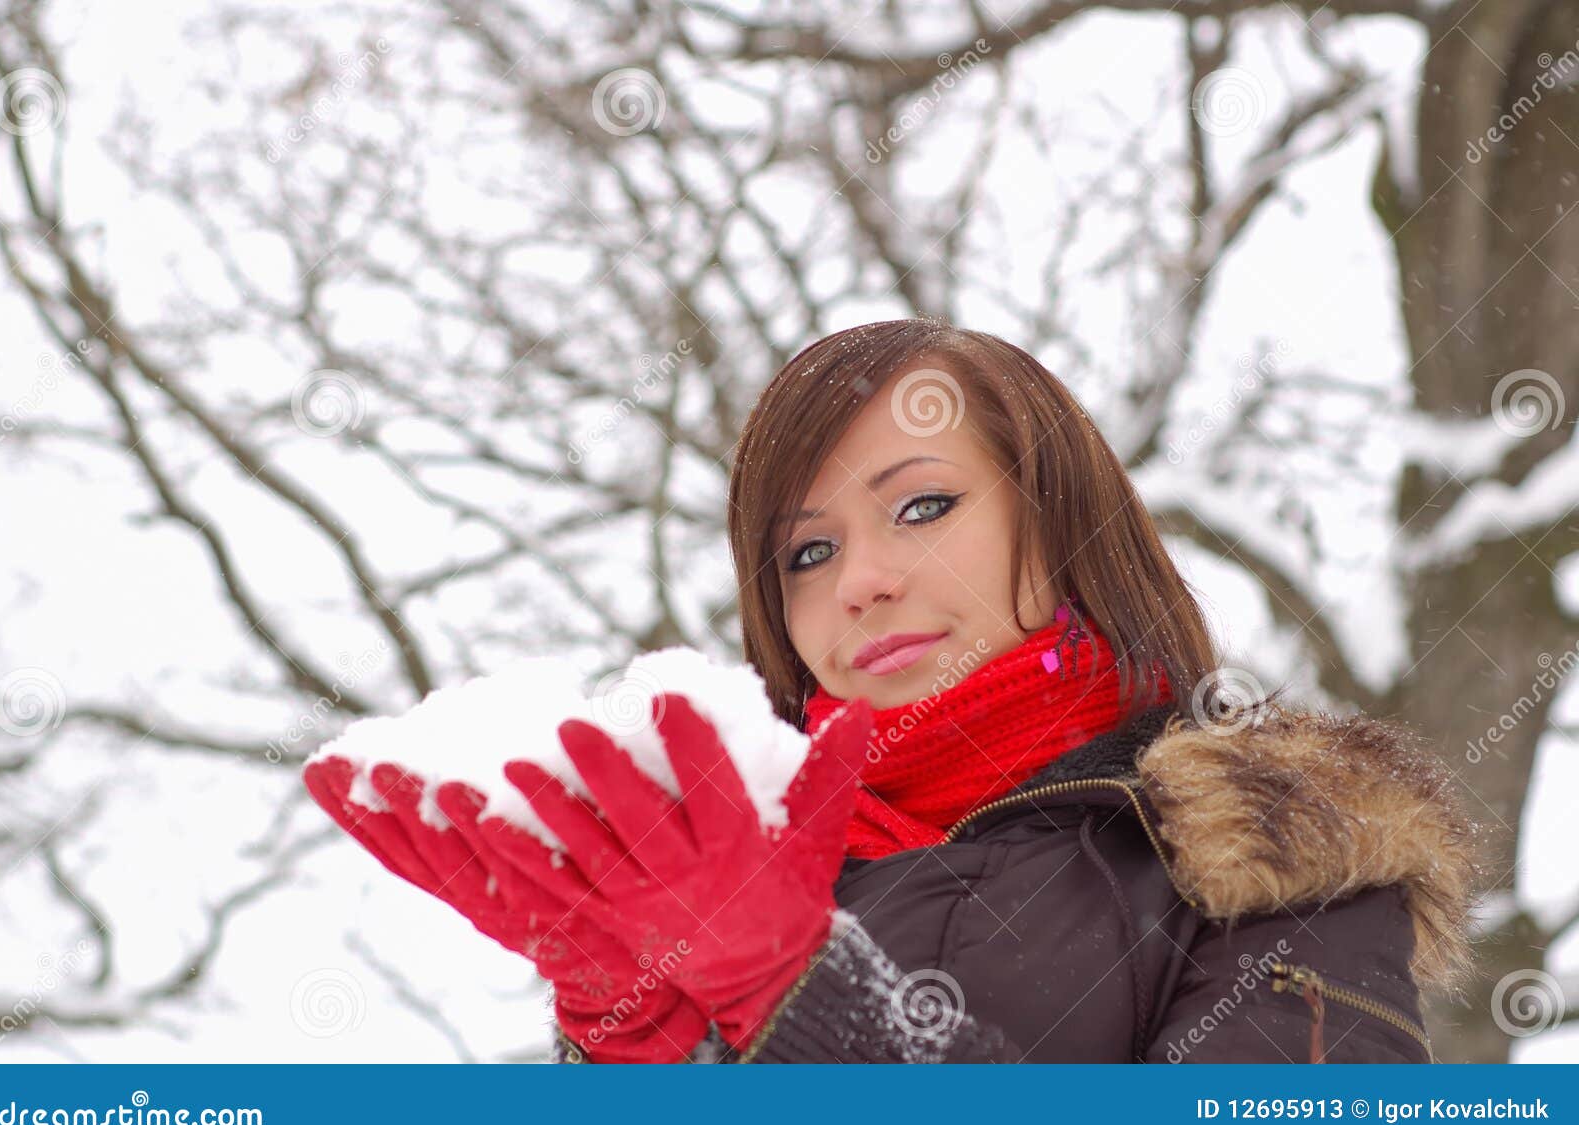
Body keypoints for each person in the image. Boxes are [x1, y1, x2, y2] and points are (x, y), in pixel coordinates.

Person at [307, 318, 1486, 1063]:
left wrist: (805, 1001)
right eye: (804, 551)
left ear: (1061, 517)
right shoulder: (735, 869)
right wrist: (630, 1047)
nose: (860, 581)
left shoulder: (1280, 866)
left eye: (922, 506)